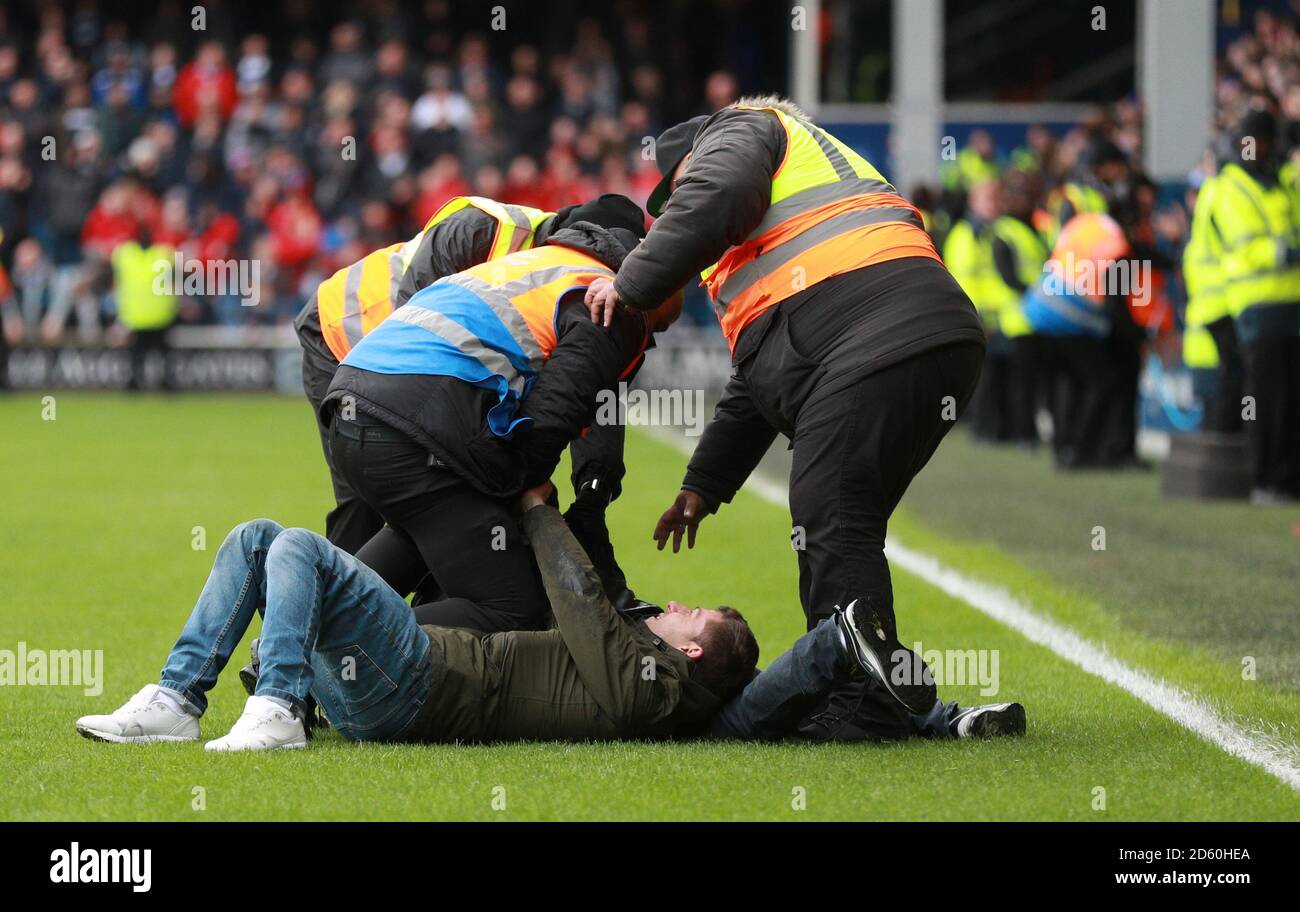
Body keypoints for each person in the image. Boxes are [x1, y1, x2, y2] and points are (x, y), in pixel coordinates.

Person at [584, 95, 985, 730]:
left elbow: (718, 192)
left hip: (874, 332)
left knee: (831, 515)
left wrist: (630, 283)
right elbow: (758, 382)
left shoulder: (743, 129)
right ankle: (899, 699)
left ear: (695, 155)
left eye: (676, 192)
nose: (671, 212)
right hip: (920, 335)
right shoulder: (781, 208)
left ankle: (862, 706)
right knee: (844, 518)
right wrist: (702, 486)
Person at [74, 484, 758, 751]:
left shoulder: (650, 687)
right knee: (257, 535)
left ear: (694, 654)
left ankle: (280, 705)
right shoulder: (638, 655)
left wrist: (536, 511)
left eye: (691, 616)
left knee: (301, 550)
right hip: (391, 682)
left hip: (419, 683)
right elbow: (601, 589)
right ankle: (178, 698)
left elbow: (582, 599)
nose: (674, 607)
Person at [322, 196, 681, 633]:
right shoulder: (612, 303)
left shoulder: (542, 261)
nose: (657, 334)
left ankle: (294, 640)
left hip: (353, 397)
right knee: (511, 605)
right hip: (412, 413)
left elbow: (578, 407)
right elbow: (554, 414)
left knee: (429, 524)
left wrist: (584, 490)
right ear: (653, 262)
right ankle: (337, 646)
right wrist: (526, 493)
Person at [1202, 110, 1300, 503]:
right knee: (1262, 399)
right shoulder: (1231, 188)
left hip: (1289, 306)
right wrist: (1287, 252)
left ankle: (1286, 477)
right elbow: (1246, 248)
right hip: (1257, 307)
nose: (1256, 148)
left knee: (1288, 398)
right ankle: (1263, 477)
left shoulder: (1278, 183)